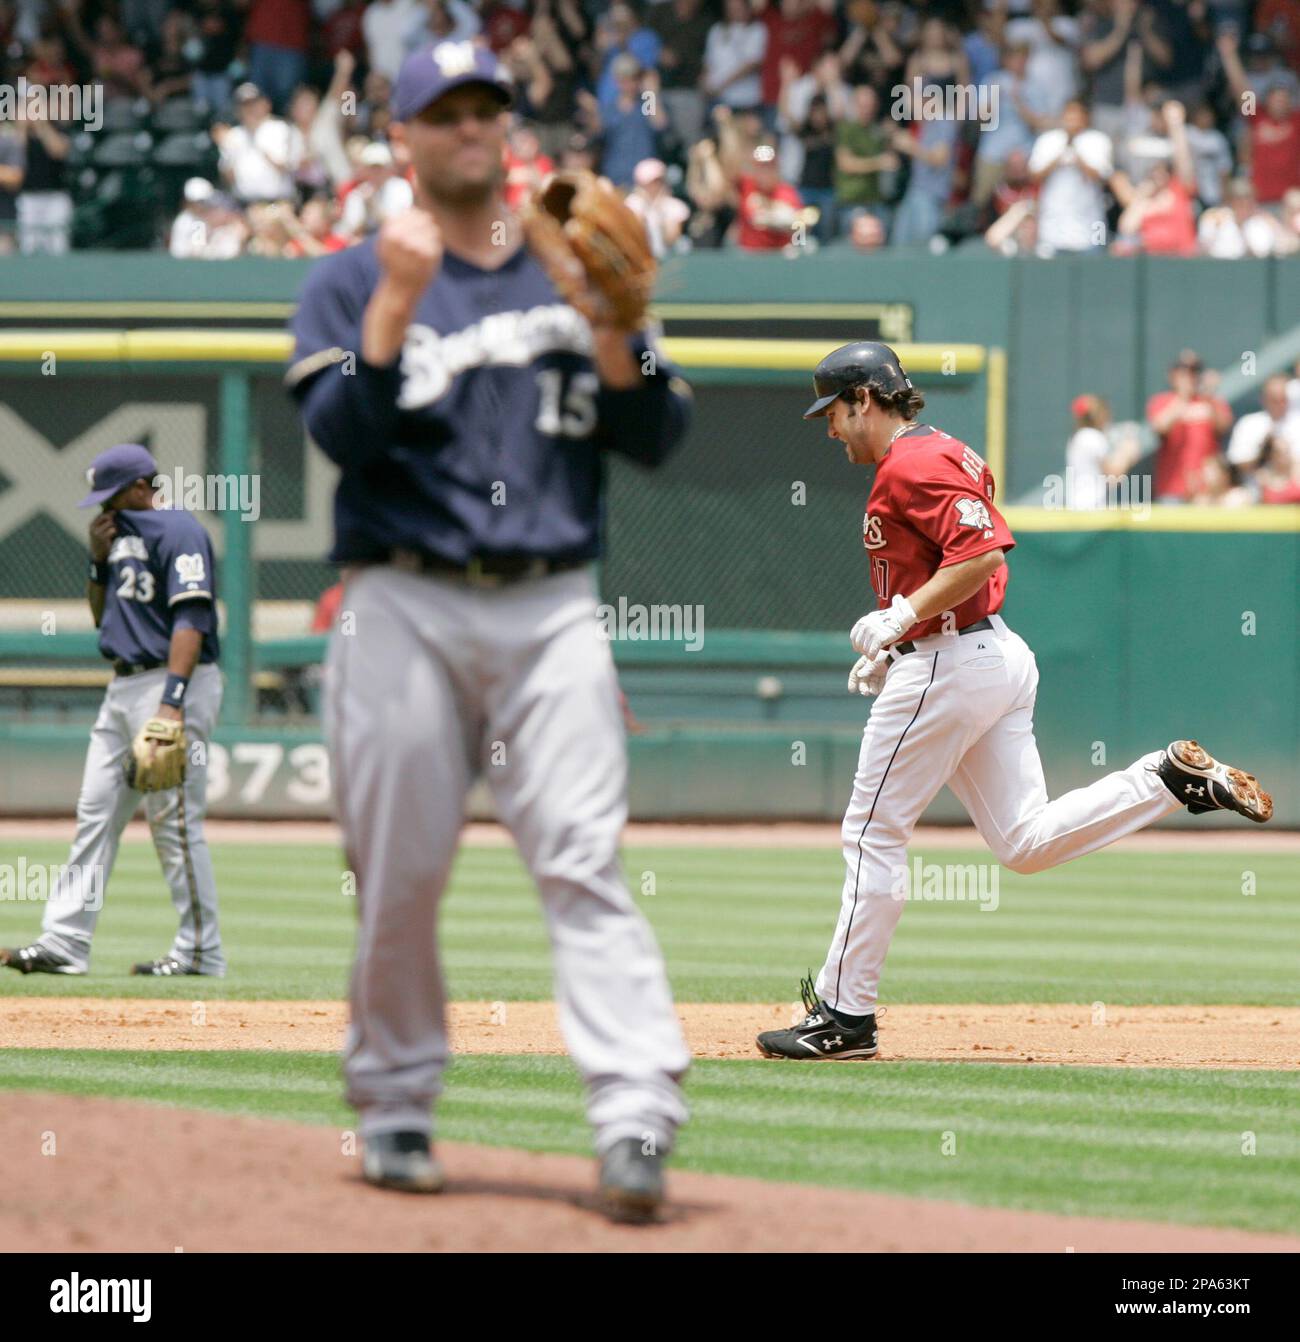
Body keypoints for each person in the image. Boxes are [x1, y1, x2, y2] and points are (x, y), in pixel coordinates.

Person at [285, 41, 692, 1221]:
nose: (470, 127)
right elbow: (340, 441)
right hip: (400, 597)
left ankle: (633, 1120)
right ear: (403, 139)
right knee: (399, 870)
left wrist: (616, 329)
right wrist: (395, 305)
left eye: (486, 109)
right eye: (444, 112)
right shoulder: (351, 275)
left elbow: (656, 439)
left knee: (580, 854)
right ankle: (397, 1105)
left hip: (551, 601)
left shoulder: (570, 266)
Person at [754, 342, 1272, 1062]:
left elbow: (984, 553)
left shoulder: (911, 462)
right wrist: (899, 642)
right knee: (1024, 842)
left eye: (835, 412)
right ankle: (1164, 779)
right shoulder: (945, 450)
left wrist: (905, 624)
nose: (830, 428)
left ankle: (844, 1016)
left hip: (949, 661)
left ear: (865, 399)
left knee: (873, 833)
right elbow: (953, 558)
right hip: (985, 655)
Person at [0, 444, 227, 979]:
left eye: (112, 494)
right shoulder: (114, 536)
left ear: (140, 487)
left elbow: (191, 622)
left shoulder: (181, 532)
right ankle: (65, 941)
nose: (104, 508)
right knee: (95, 813)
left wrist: (172, 704)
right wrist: (97, 561)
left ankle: (200, 950)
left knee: (171, 821)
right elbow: (105, 618)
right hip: (122, 685)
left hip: (174, 686)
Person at [1027, 97, 1114, 252]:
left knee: (1094, 266)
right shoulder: (1048, 140)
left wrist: (1076, 153)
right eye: (1068, 114)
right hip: (1052, 224)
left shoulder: (1099, 140)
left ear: (1085, 117)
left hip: (1091, 223)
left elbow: (1102, 177)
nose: (1072, 120)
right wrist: (1059, 155)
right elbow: (1034, 176)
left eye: (1076, 115)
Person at [1146, 350, 1233, 502]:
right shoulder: (1161, 401)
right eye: (1184, 371)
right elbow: (1160, 427)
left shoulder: (1212, 402)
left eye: (1195, 371)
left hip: (1206, 492)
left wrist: (1209, 395)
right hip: (1172, 490)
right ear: (1172, 374)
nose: (1190, 376)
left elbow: (1224, 426)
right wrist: (1183, 396)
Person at [1226, 374, 1300, 469]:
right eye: (1274, 400)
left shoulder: (1297, 422)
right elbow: (1236, 463)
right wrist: (1264, 455)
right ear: (1263, 399)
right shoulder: (1248, 423)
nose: (1280, 404)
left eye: (1283, 399)